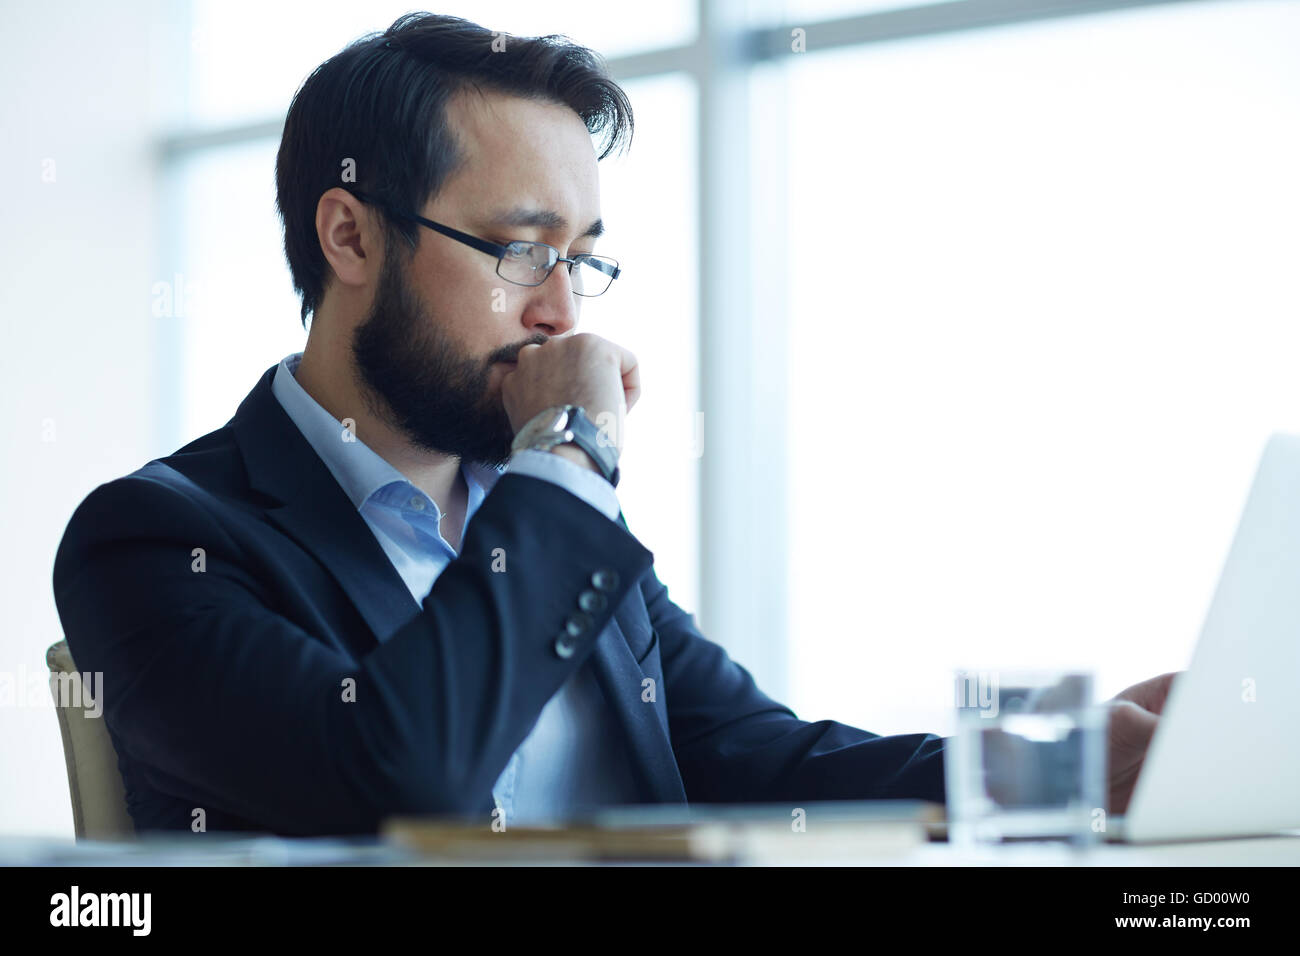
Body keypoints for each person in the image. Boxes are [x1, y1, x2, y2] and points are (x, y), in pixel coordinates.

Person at [52, 12, 1174, 836]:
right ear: (349, 236)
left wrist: (1056, 766)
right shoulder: (153, 539)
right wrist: (567, 457)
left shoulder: (544, 508)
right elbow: (392, 779)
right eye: (521, 250)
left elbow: (751, 759)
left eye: (581, 259)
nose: (562, 311)